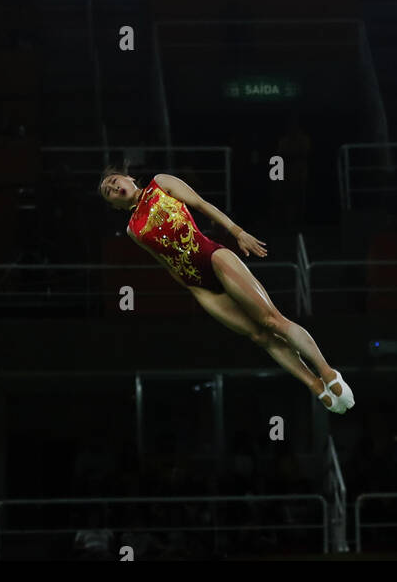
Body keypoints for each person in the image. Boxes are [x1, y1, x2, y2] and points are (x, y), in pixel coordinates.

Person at [99, 167, 354, 414]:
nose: (112, 187)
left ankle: (327, 372)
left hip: (213, 257)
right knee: (259, 336)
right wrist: (191, 288)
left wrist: (237, 232)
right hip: (198, 285)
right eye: (108, 191)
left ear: (129, 177)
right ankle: (314, 385)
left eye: (113, 180)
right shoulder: (133, 230)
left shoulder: (161, 183)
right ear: (113, 206)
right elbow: (164, 261)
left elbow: (202, 205)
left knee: (272, 320)